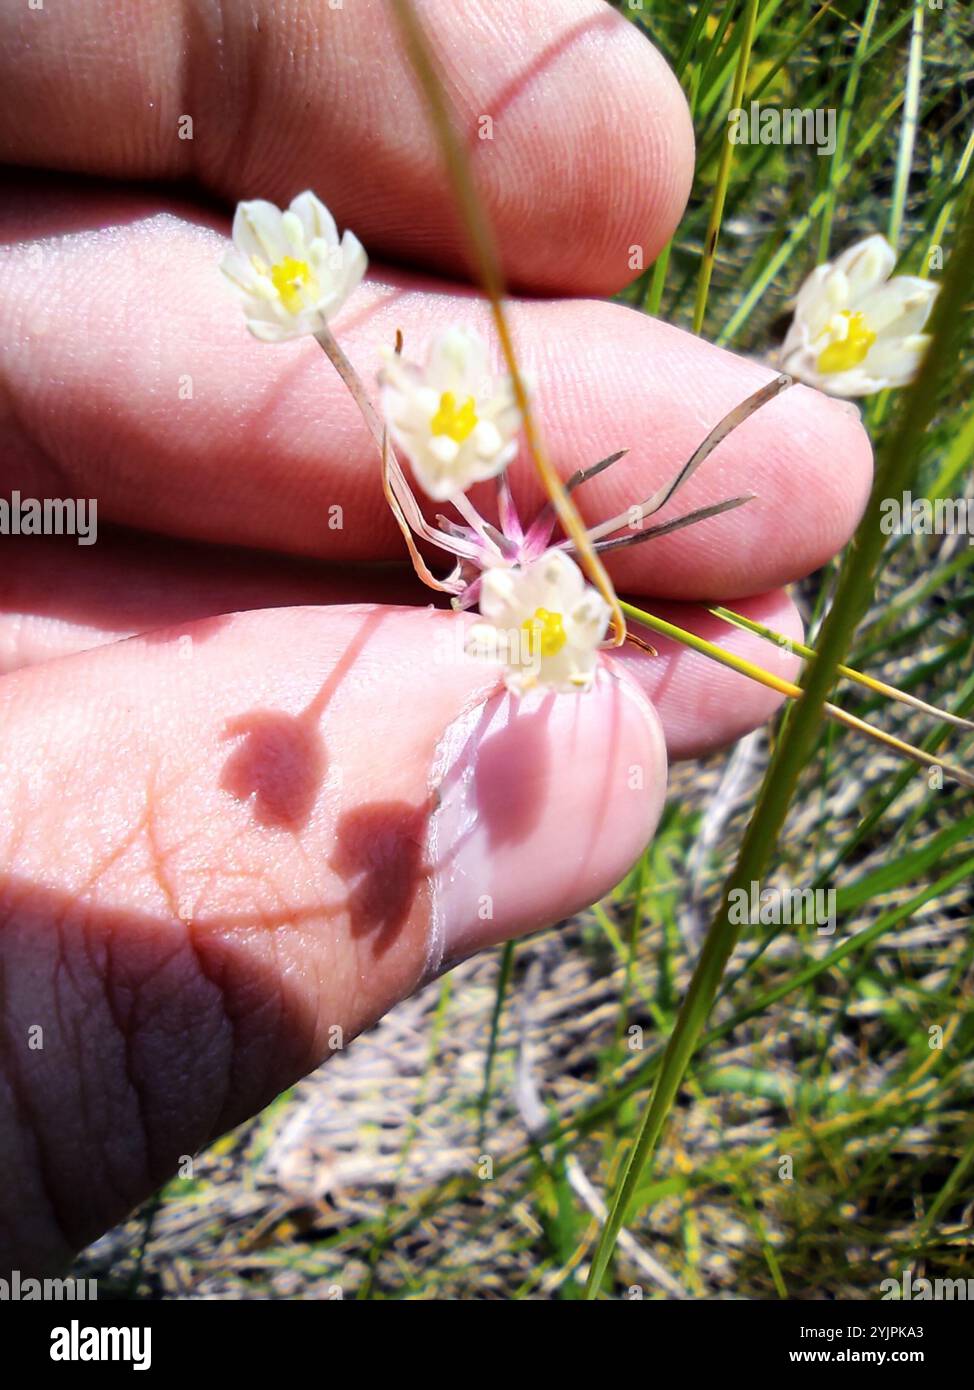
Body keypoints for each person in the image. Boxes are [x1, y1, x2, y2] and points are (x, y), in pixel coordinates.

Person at [0, 0, 871, 1275]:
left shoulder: (514, 521)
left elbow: (526, 575)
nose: (299, 283)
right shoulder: (418, 431)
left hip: (539, 596)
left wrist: (540, 607)